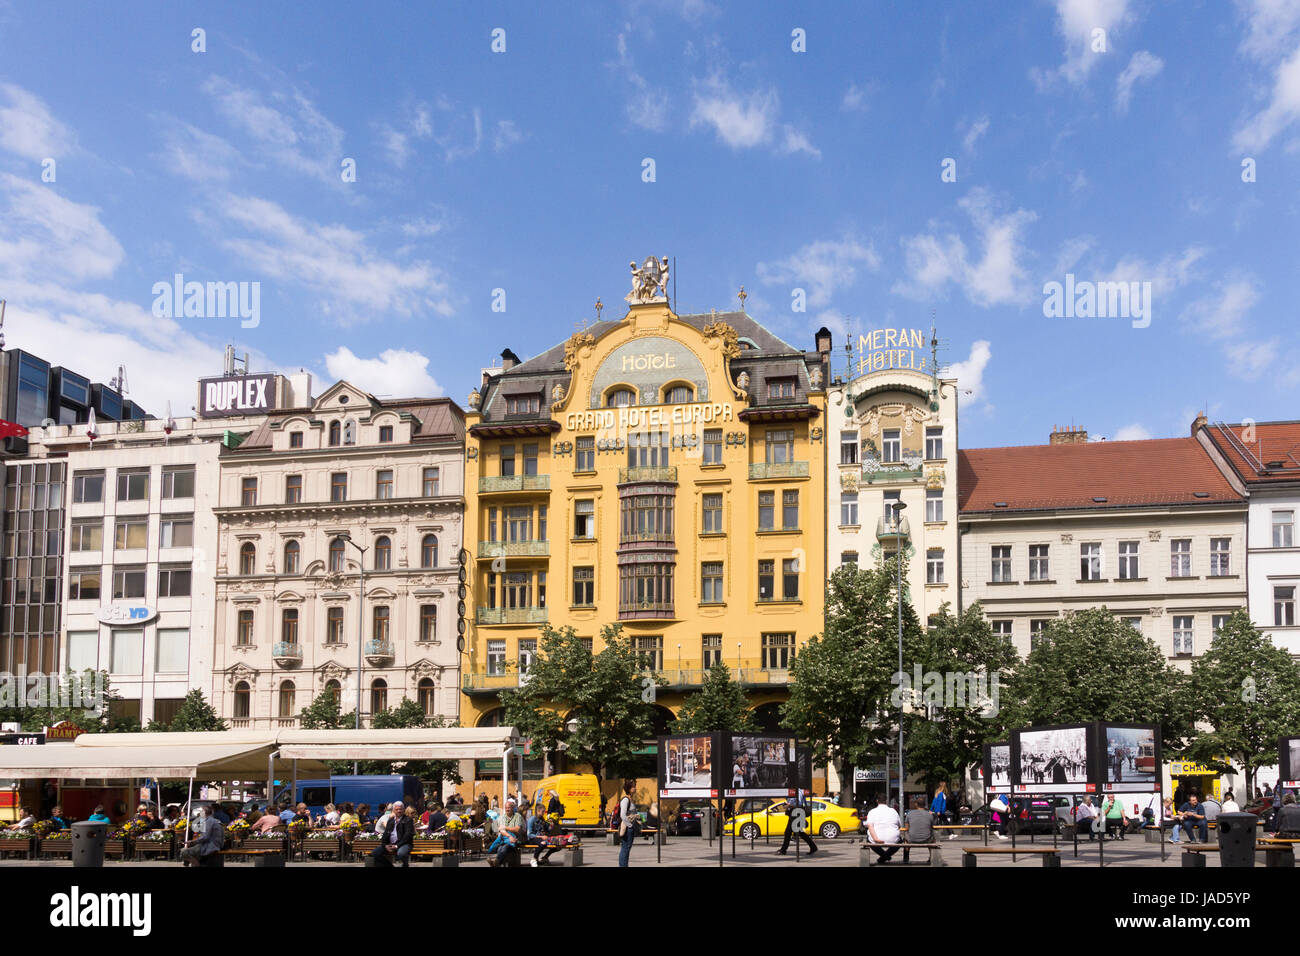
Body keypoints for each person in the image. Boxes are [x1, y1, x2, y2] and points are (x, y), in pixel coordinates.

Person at [371, 801, 414, 867]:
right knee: (375, 853)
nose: (399, 811)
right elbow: (385, 834)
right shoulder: (390, 820)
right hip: (390, 844)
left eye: (400, 809)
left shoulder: (408, 820)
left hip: (404, 844)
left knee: (401, 853)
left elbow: (407, 836)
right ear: (393, 810)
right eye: (397, 809)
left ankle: (405, 865)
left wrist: (397, 846)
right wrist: (385, 845)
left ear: (404, 810)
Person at [777, 788, 818, 856]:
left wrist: (789, 805)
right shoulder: (792, 791)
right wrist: (788, 804)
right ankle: (813, 847)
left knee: (792, 832)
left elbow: (798, 804)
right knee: (792, 832)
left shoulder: (798, 792)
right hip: (794, 813)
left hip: (797, 813)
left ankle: (783, 850)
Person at [865, 793, 902, 864]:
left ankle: (884, 856)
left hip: (876, 839)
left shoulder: (872, 812)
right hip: (893, 839)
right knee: (900, 840)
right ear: (886, 801)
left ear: (877, 801)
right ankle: (885, 856)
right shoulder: (893, 811)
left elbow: (870, 826)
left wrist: (876, 839)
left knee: (868, 839)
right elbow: (899, 825)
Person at [490, 798, 525, 867]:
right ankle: (497, 863)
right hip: (506, 839)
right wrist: (509, 836)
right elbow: (501, 831)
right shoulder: (503, 817)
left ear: (513, 808)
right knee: (501, 848)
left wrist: (506, 827)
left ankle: (496, 863)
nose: (507, 809)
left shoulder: (517, 816)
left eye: (509, 808)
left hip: (516, 839)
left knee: (505, 847)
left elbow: (517, 829)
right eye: (506, 808)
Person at [618, 779, 639, 867]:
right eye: (633, 787)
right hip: (627, 828)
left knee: (627, 848)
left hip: (630, 827)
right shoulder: (625, 800)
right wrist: (630, 826)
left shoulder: (630, 799)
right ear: (629, 789)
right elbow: (622, 814)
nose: (635, 788)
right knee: (625, 848)